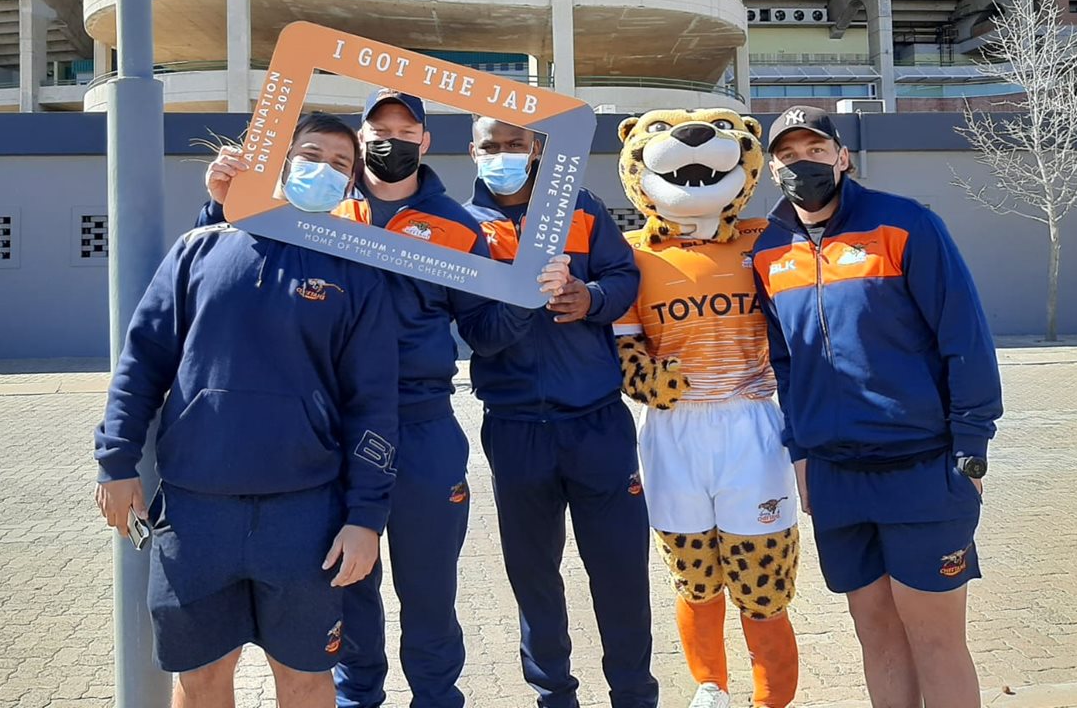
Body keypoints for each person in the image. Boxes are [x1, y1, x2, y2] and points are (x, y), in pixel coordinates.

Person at [200, 90, 550, 708]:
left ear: (425, 140)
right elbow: (235, 275)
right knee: (346, 587)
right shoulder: (322, 211)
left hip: (421, 427)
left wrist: (523, 292)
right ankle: (358, 698)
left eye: (405, 128)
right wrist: (220, 204)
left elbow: (486, 334)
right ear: (360, 139)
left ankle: (437, 698)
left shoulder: (458, 226)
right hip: (332, 427)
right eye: (378, 128)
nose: (392, 139)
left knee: (429, 590)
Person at [94, 112, 399, 708]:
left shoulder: (356, 273)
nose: (323, 171)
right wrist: (116, 462)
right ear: (281, 166)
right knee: (201, 680)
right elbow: (142, 364)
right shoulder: (198, 250)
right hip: (194, 513)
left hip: (305, 516)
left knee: (307, 680)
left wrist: (366, 518)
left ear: (352, 186)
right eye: (311, 156)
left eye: (340, 165)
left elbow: (373, 406)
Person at [749, 105, 1003, 708]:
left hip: (923, 468)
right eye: (786, 155)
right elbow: (785, 361)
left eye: (814, 150)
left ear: (843, 157)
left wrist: (971, 445)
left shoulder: (906, 224)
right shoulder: (768, 251)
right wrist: (802, 451)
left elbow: (964, 336)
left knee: (935, 638)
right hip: (838, 476)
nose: (800, 163)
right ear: (771, 170)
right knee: (878, 635)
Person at [459, 115, 657, 708]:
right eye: (490, 146)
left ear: (536, 149)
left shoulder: (583, 208)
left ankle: (634, 694)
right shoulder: (463, 228)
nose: (502, 155)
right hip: (517, 429)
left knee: (620, 571)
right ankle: (553, 695)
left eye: (514, 145)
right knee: (533, 576)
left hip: (597, 422)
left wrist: (590, 298)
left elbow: (625, 275)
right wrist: (527, 294)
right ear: (472, 151)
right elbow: (479, 333)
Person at [611, 108, 800, 708]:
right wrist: (645, 381)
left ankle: (772, 697)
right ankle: (710, 687)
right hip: (673, 428)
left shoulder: (767, 237)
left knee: (763, 576)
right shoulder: (628, 254)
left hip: (752, 422)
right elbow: (622, 340)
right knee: (693, 575)